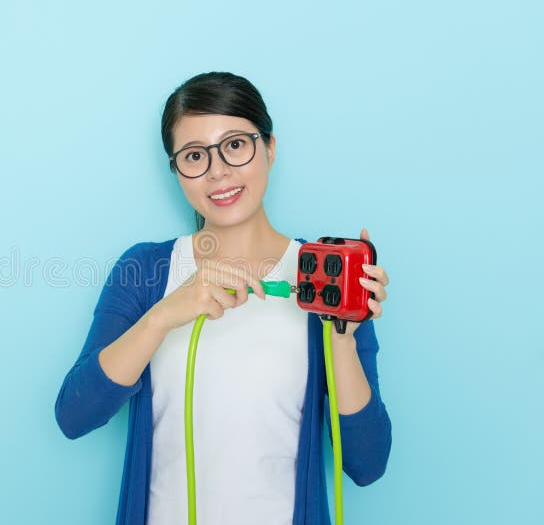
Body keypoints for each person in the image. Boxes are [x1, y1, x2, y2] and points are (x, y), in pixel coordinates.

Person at [54, 71, 392, 525]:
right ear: (176, 172)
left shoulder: (326, 281)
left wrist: (343, 340)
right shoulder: (146, 272)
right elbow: (74, 416)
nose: (218, 171)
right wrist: (161, 317)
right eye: (194, 156)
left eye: (235, 145)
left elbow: (367, 465)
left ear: (269, 148)